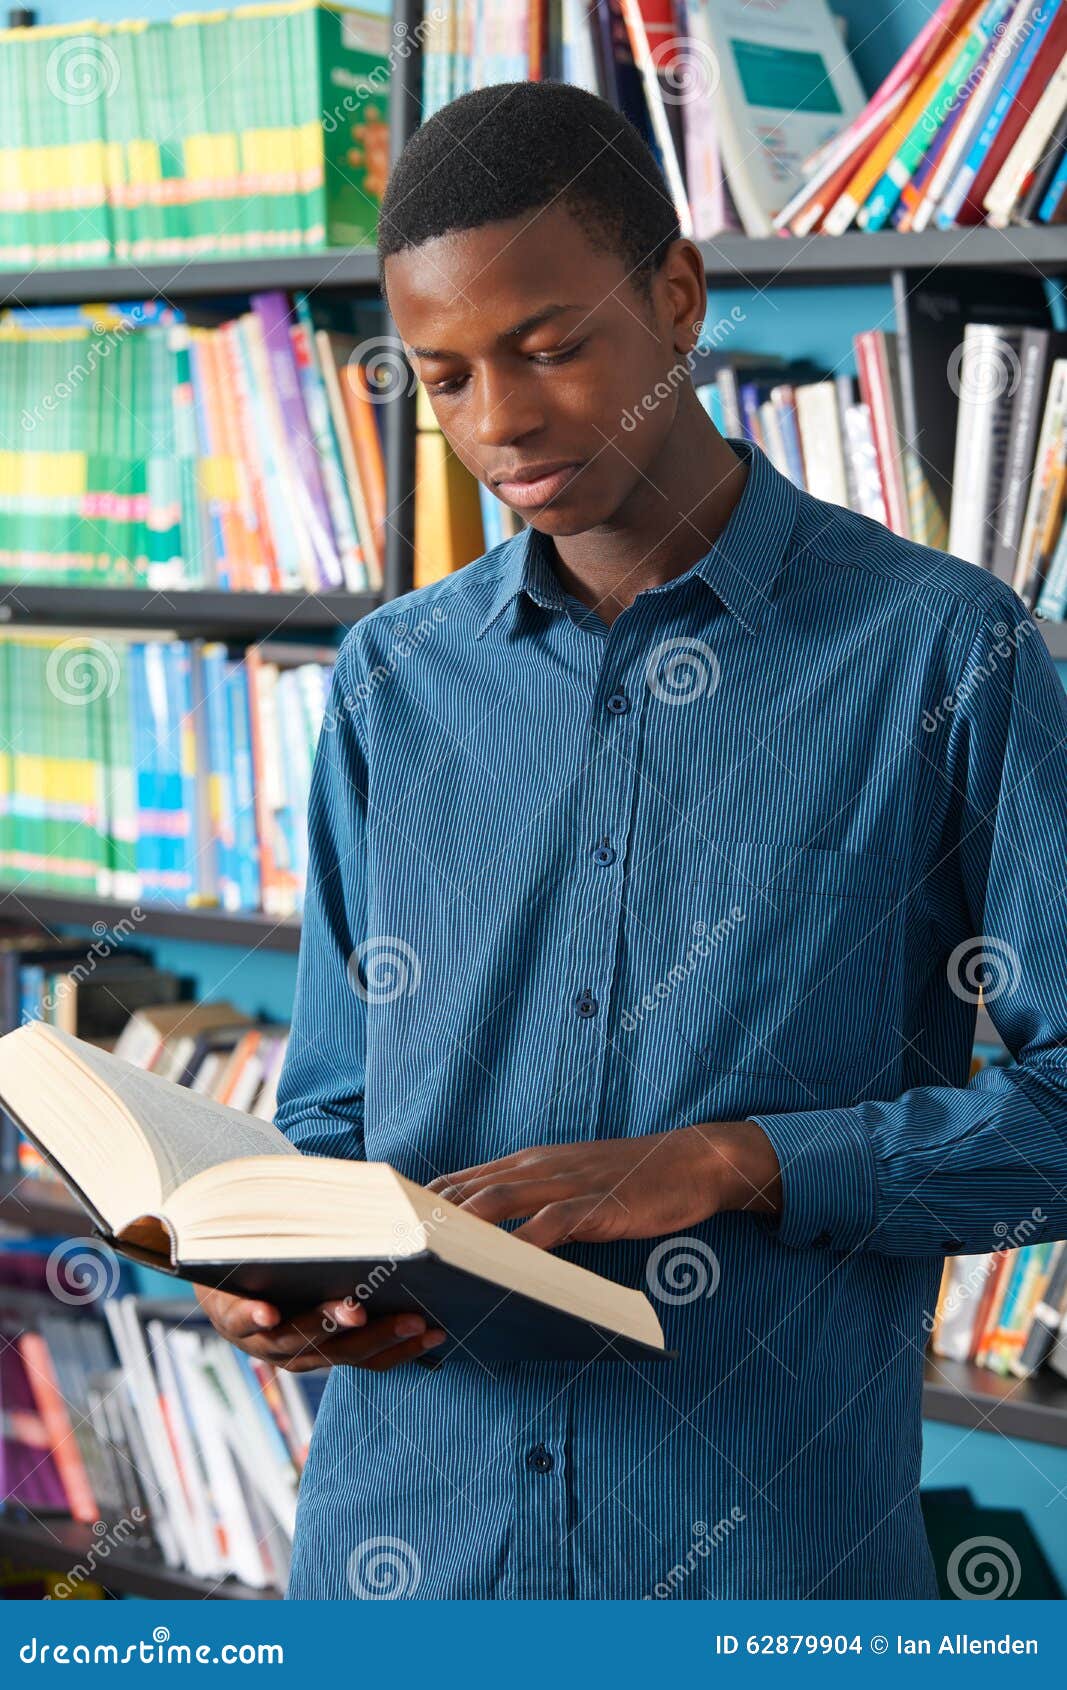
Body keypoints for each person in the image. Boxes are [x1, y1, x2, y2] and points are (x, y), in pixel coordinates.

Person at [195, 80, 1067, 1600]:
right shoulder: (392, 679)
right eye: (445, 376)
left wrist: (737, 1162)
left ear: (676, 296)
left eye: (549, 349)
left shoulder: (944, 654)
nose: (502, 423)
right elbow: (337, 1110)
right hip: (405, 1560)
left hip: (761, 1573)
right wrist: (282, 1275)